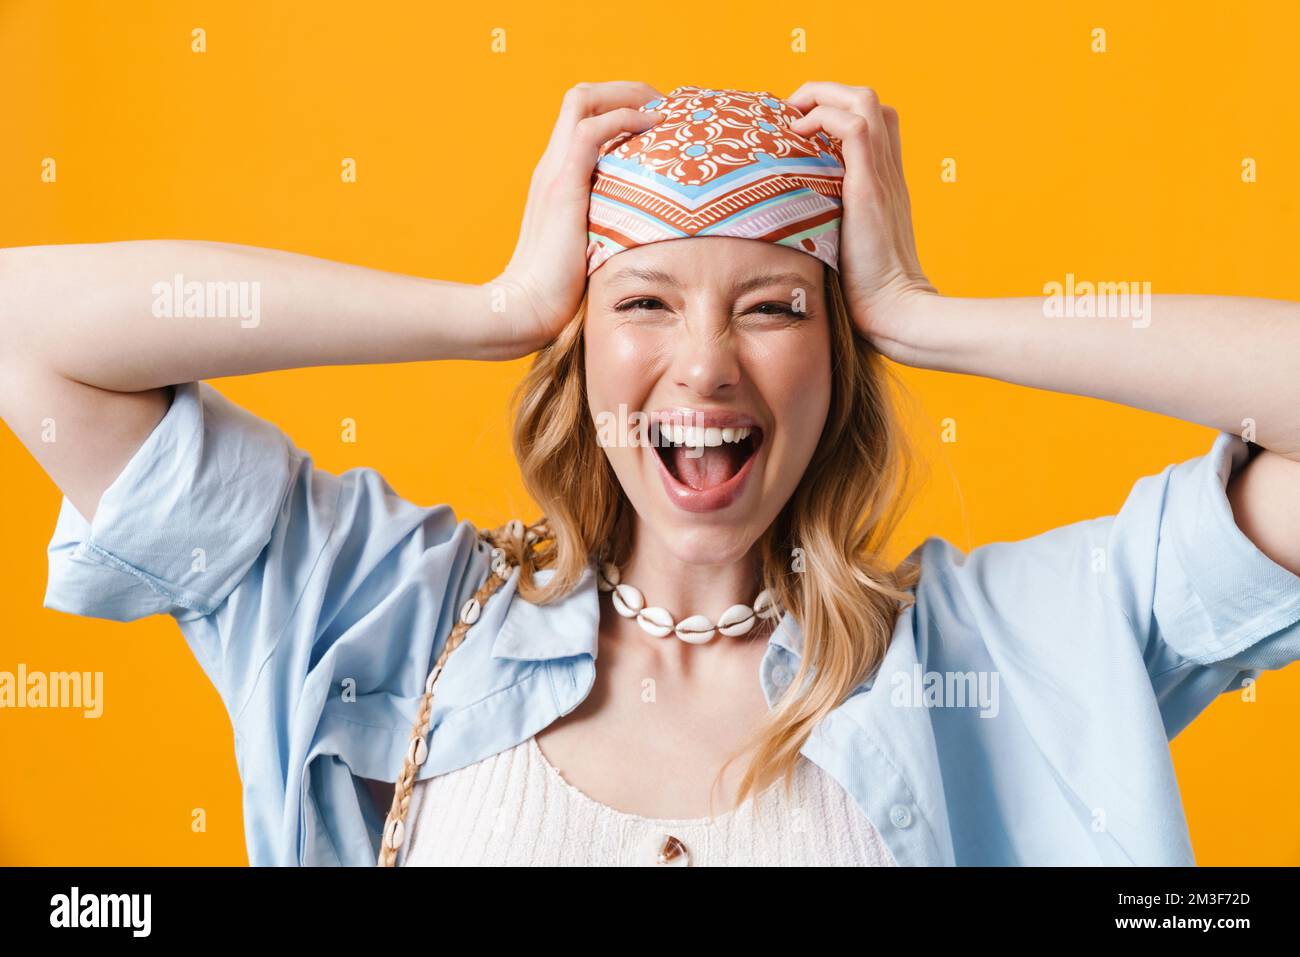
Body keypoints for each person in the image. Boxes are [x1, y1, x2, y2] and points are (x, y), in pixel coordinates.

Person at [3, 81, 1299, 867]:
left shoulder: (1003, 652)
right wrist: (494, 304)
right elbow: (28, 324)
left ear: (839, 357)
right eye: (644, 301)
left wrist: (917, 310)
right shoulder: (377, 610)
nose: (705, 367)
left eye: (776, 308)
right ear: (579, 344)